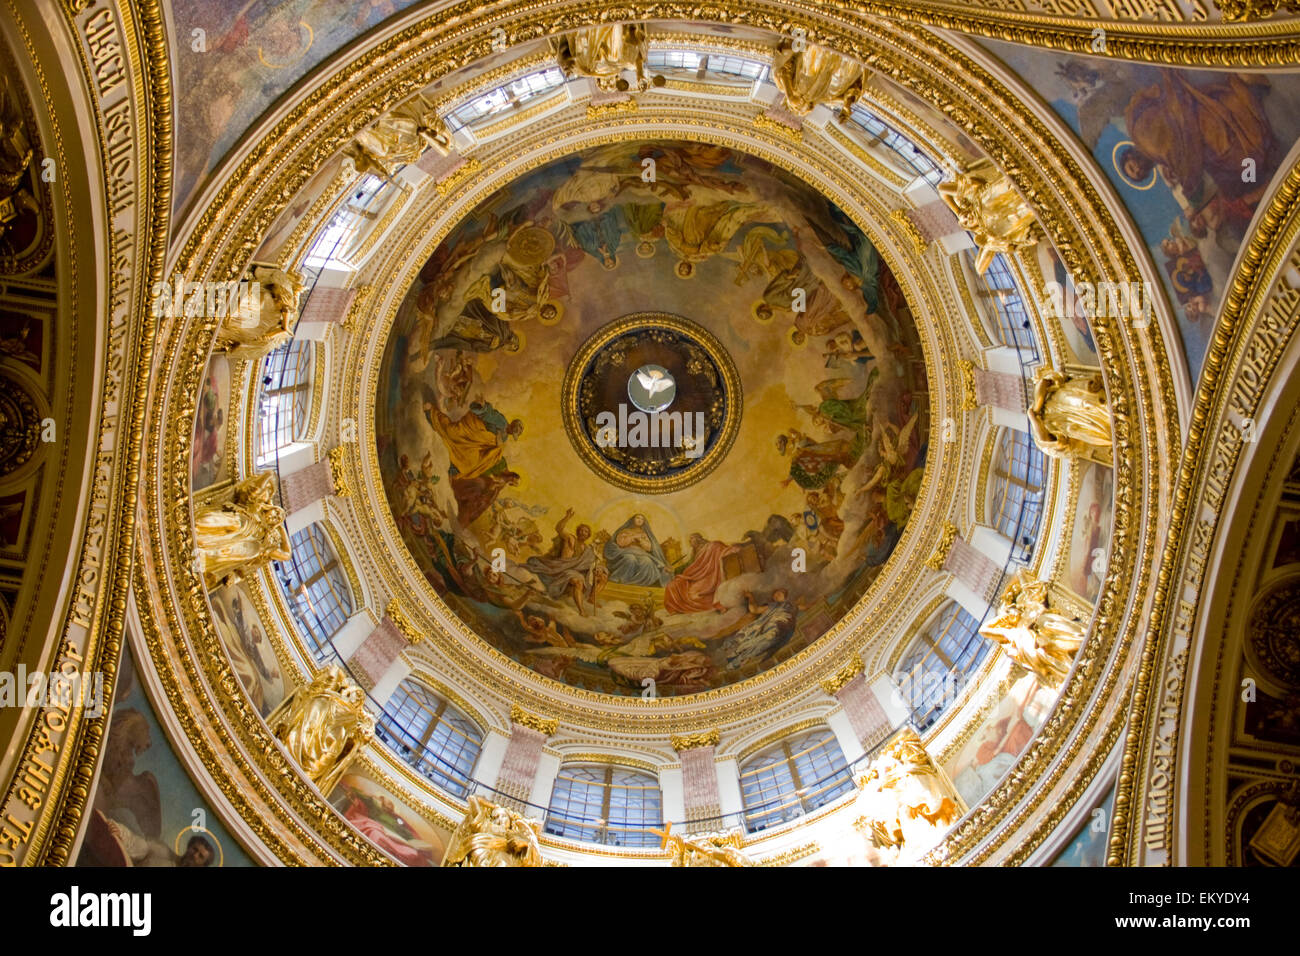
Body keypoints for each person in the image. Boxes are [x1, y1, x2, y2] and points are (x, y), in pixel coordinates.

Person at [721, 589, 799, 669]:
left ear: (785, 597)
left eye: (780, 593)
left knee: (767, 640)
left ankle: (739, 657)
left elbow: (803, 607)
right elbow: (754, 610)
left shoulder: (791, 606)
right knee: (758, 640)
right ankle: (738, 654)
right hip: (764, 626)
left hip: (780, 626)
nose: (777, 594)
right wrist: (751, 597)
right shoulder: (771, 606)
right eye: (776, 593)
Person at [664, 533, 738, 614]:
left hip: (708, 579)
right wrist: (674, 570)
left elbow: (723, 551)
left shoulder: (712, 546)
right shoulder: (695, 552)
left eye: (691, 539)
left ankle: (681, 607)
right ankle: (676, 608)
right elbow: (689, 565)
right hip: (695, 577)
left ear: (698, 539)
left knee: (694, 594)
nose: (689, 541)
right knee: (672, 585)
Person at [603, 514, 673, 587]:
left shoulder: (644, 534)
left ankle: (638, 583)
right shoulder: (625, 531)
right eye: (638, 518)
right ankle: (621, 580)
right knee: (630, 559)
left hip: (641, 553)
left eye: (642, 519)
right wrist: (632, 538)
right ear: (633, 519)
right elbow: (620, 542)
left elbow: (649, 548)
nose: (639, 520)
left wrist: (641, 541)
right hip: (626, 551)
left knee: (647, 561)